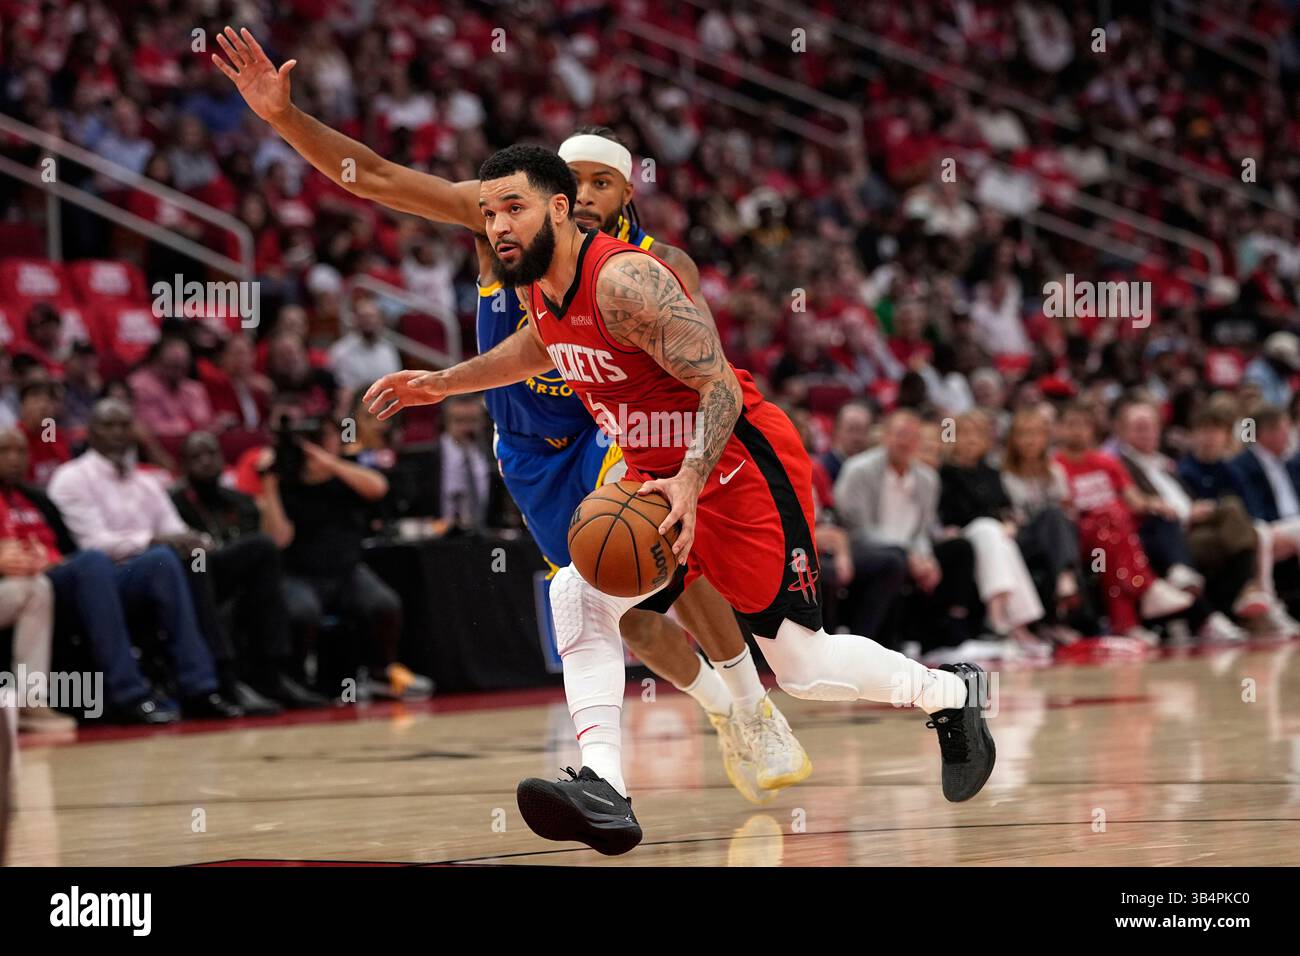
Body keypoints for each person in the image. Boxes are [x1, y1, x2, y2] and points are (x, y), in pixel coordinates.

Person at [212, 27, 808, 809]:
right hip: (528, 447)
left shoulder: (654, 268)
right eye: (575, 180)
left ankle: (731, 711)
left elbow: (700, 381)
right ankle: (730, 709)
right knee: (614, 598)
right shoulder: (504, 229)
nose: (586, 196)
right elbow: (380, 178)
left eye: (602, 184)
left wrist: (690, 467)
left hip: (616, 429)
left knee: (630, 564)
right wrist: (284, 119)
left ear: (626, 195)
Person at [362, 142, 995, 854]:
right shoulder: (541, 285)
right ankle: (603, 786)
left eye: (515, 207)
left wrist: (692, 480)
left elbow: (720, 384)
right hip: (652, 470)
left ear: (560, 208)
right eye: (488, 212)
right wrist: (445, 382)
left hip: (739, 466)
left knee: (803, 670)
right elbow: (544, 346)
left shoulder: (629, 280)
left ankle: (951, 694)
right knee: (576, 591)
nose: (498, 225)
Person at [45, 400, 243, 718]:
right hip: (91, 579)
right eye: (109, 425)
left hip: (139, 575)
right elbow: (93, 543)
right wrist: (152, 540)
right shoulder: (71, 478)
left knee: (182, 560)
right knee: (128, 560)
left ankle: (202, 687)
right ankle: (129, 693)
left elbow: (176, 531)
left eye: (125, 425)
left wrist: (195, 542)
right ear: (91, 432)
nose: (119, 433)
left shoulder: (146, 482)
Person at [256, 415, 432, 701]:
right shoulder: (284, 482)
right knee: (303, 613)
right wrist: (269, 483)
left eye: (322, 438)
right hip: (298, 573)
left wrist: (330, 464)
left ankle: (380, 673)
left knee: (383, 604)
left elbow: (378, 487)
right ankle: (297, 680)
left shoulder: (346, 476)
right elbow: (277, 539)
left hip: (346, 572)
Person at [170, 432, 327, 708]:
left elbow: (275, 543)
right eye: (196, 457)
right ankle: (228, 679)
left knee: (266, 555)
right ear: (182, 466)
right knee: (207, 558)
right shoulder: (173, 502)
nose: (206, 462)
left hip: (235, 581)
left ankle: (274, 673)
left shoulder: (239, 500)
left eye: (211, 454)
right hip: (192, 579)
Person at [834, 409, 981, 654]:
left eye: (913, 437)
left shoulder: (928, 478)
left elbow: (922, 531)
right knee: (896, 559)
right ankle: (873, 644)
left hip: (909, 550)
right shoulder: (858, 470)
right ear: (885, 436)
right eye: (900, 435)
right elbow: (857, 529)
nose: (905, 442)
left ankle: (943, 639)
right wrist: (907, 553)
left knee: (959, 549)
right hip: (864, 549)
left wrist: (926, 558)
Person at [1054, 403, 1197, 644]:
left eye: (1083, 425)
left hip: (1115, 533)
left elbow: (1136, 501)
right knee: (1110, 520)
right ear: (1059, 429)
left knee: (1113, 536)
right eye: (1071, 425)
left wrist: (1156, 503)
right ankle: (1147, 588)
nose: (1077, 431)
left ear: (1092, 430)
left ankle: (1126, 624)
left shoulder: (1106, 462)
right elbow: (1064, 510)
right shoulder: (1056, 465)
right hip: (1083, 533)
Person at [937, 410, 1046, 652]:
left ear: (986, 440)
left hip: (994, 535)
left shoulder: (992, 472)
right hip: (963, 533)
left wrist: (1009, 523)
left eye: (977, 434)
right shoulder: (946, 472)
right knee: (988, 530)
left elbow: (1005, 507)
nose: (971, 440)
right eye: (964, 433)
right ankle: (1000, 619)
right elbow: (947, 512)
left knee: (1001, 539)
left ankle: (1015, 625)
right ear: (952, 438)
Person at [1000, 407, 1089, 641]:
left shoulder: (1055, 472)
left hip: (1052, 542)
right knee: (1052, 515)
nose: (1030, 441)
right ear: (1013, 440)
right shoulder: (1003, 474)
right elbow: (1008, 515)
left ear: (1045, 439)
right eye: (1023, 435)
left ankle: (1057, 614)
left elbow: (1068, 510)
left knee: (1059, 519)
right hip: (1022, 540)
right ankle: (1066, 576)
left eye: (1036, 435)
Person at [327, 294, 402, 391]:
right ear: (355, 319)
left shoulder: (388, 350)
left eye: (372, 316)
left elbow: (395, 385)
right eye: (363, 317)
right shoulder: (340, 351)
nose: (369, 321)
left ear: (381, 320)